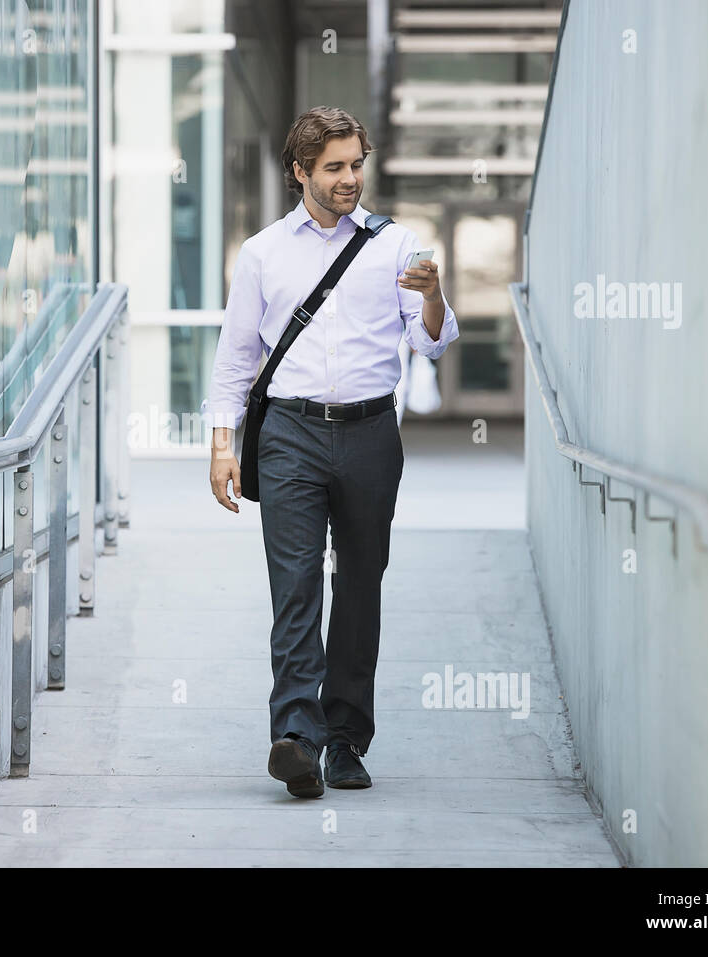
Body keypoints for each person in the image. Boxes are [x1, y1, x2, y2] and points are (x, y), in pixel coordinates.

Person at [200, 106, 459, 798]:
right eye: (335, 168)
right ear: (301, 172)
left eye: (356, 165)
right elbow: (235, 361)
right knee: (296, 584)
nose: (350, 179)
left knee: (359, 586)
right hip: (289, 433)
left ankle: (345, 739)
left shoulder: (394, 244)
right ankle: (296, 736)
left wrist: (434, 297)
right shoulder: (262, 254)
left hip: (372, 432)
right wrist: (223, 444)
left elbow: (431, 341)